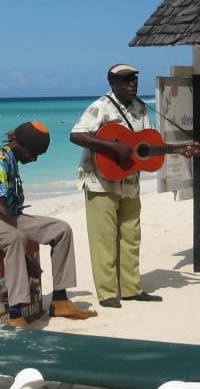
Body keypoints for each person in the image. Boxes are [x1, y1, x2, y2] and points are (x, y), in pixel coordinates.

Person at [0, 120, 97, 327]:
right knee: (15, 238)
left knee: (61, 230)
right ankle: (15, 314)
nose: (34, 159)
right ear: (19, 145)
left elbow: (7, 211)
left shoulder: (12, 159)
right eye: (33, 154)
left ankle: (60, 300)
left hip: (5, 214)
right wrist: (25, 257)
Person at [70, 63, 164, 308]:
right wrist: (113, 147)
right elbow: (77, 135)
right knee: (104, 239)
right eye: (125, 80)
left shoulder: (141, 108)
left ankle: (132, 289)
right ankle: (108, 293)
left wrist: (175, 150)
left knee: (131, 236)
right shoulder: (100, 107)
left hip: (130, 181)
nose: (131, 83)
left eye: (134, 79)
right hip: (100, 181)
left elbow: (146, 141)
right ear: (112, 84)